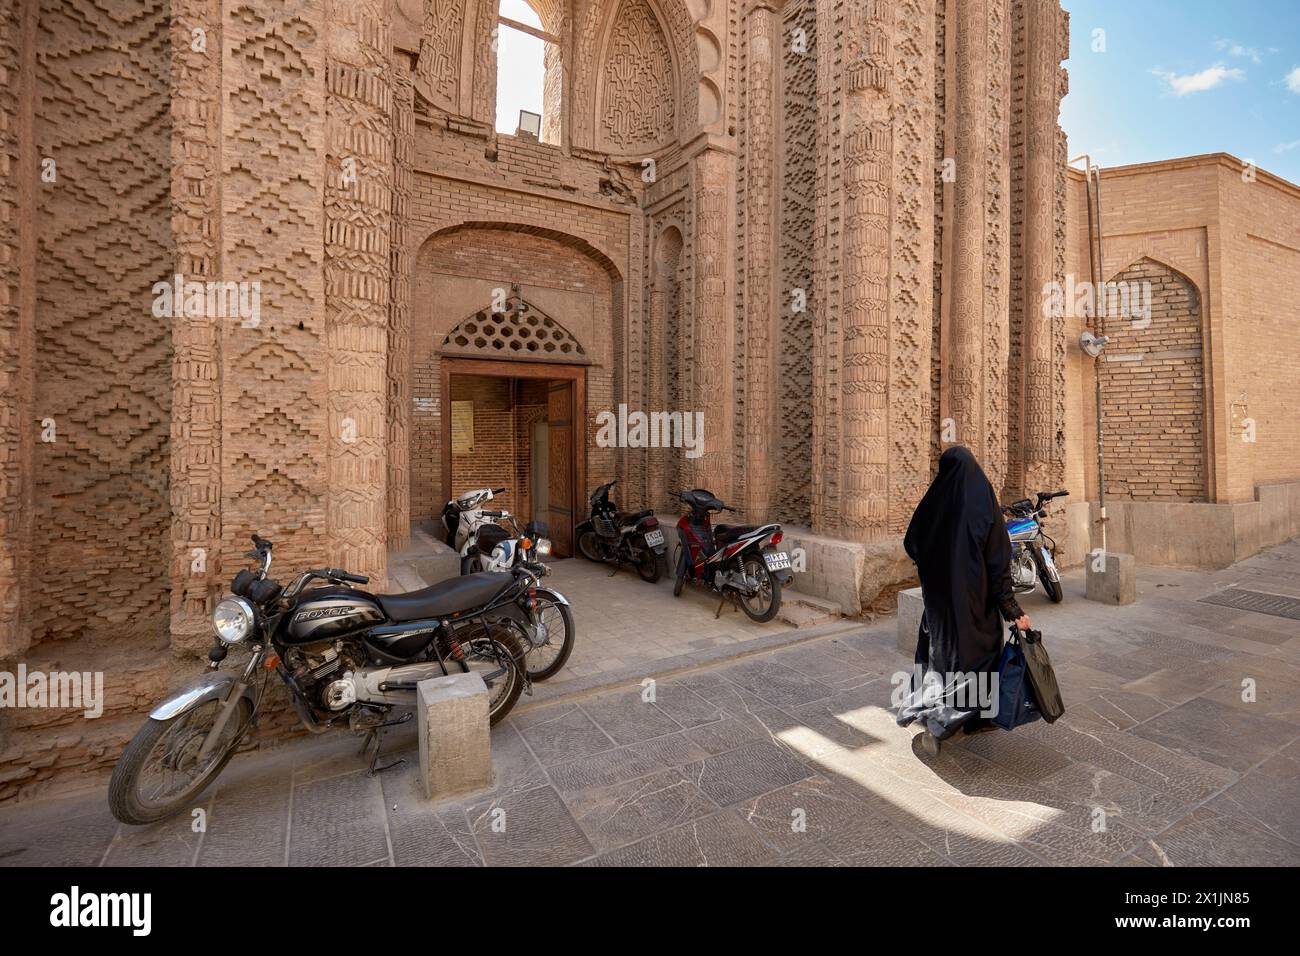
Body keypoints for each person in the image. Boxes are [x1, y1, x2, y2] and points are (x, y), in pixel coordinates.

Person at [896, 445, 1030, 741]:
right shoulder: (982, 500)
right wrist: (1012, 610)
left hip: (939, 605)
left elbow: (912, 543)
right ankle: (962, 720)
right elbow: (998, 561)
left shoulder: (935, 500)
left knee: (940, 658)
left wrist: (934, 567)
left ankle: (940, 711)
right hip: (973, 604)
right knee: (977, 659)